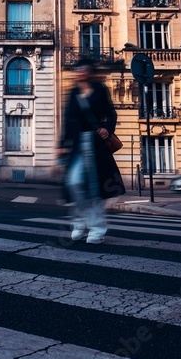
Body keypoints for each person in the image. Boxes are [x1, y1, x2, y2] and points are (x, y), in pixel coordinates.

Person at [58, 58, 125, 244]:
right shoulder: (73, 93)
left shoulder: (99, 89)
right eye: (78, 69)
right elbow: (67, 120)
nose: (80, 71)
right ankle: (80, 221)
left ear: (90, 71)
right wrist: (62, 144)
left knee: (95, 189)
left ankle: (97, 229)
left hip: (95, 144)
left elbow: (111, 114)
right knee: (74, 183)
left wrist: (107, 128)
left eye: (84, 68)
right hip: (77, 145)